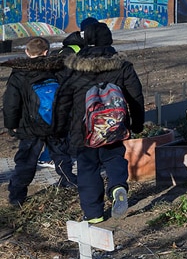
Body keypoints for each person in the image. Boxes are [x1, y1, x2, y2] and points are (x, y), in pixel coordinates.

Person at [54, 18, 144, 223]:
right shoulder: (122, 66)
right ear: (109, 40)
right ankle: (118, 186)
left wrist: (59, 128)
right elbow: (135, 96)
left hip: (82, 128)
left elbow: (63, 100)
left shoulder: (74, 68)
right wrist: (137, 124)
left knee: (88, 168)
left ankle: (93, 214)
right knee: (114, 158)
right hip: (114, 126)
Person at [4, 37, 75, 205]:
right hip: (55, 124)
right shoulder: (58, 69)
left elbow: (11, 103)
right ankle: (70, 182)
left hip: (29, 127)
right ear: (46, 52)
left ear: (27, 52)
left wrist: (11, 124)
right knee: (61, 156)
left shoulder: (19, 73)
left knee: (26, 161)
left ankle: (17, 196)